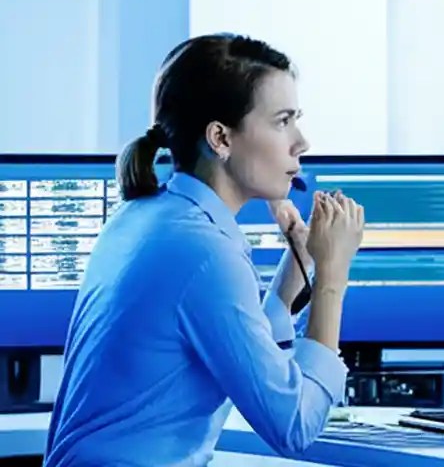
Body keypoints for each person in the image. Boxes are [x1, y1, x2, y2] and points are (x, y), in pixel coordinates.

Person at [44, 34, 365, 466]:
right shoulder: (206, 253)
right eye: (282, 121)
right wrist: (332, 277)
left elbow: (238, 342)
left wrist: (298, 267)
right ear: (220, 138)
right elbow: (294, 426)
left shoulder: (146, 217)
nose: (301, 142)